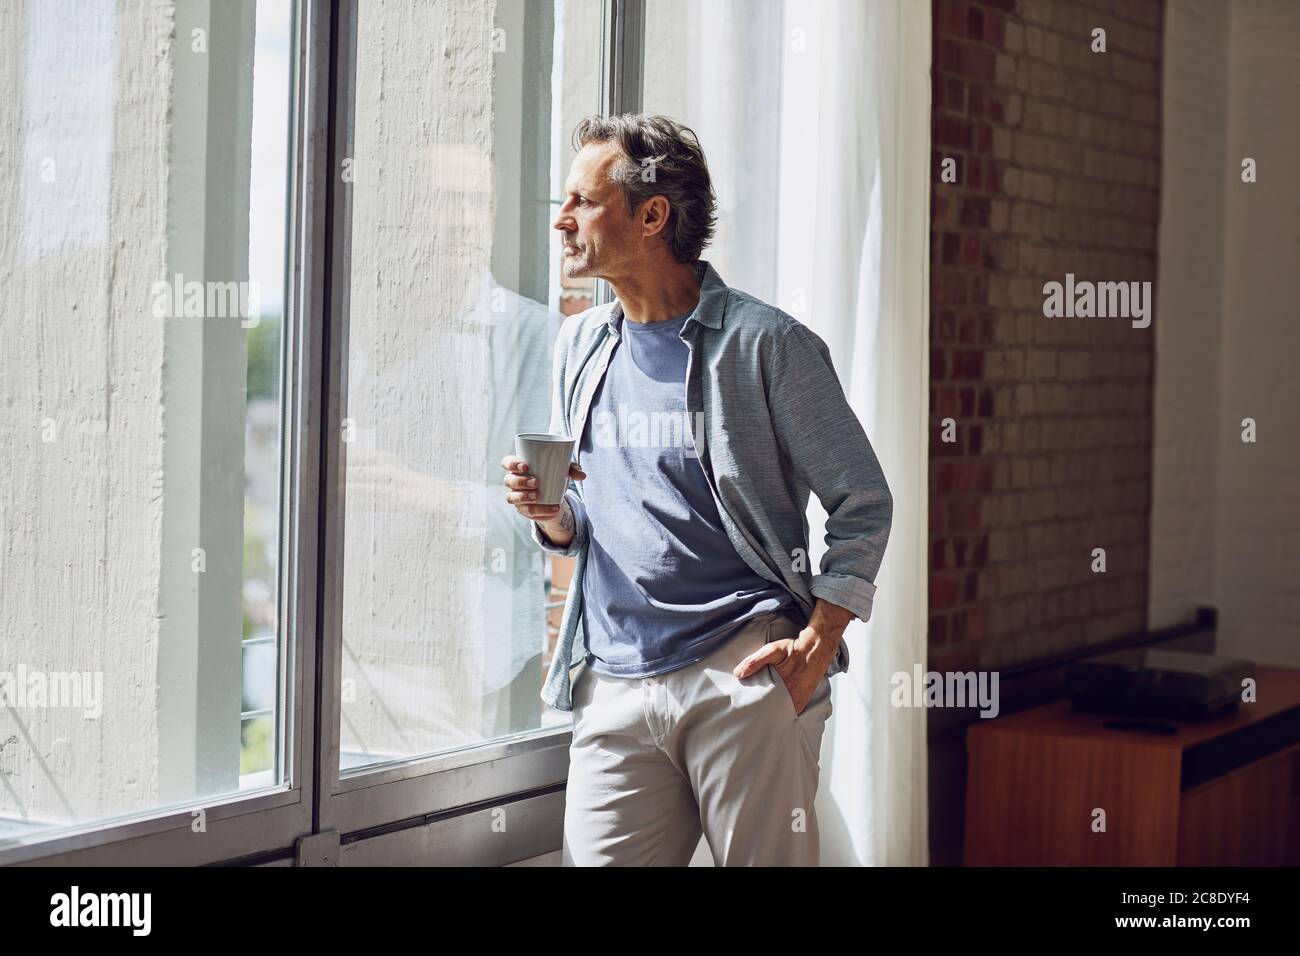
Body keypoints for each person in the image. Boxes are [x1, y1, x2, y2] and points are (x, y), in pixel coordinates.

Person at [500, 113, 893, 866]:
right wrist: (551, 514)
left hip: (741, 667)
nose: (562, 220)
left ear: (652, 216)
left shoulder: (766, 345)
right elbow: (586, 514)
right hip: (613, 677)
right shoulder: (580, 344)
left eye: (583, 201)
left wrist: (820, 641)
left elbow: (863, 499)